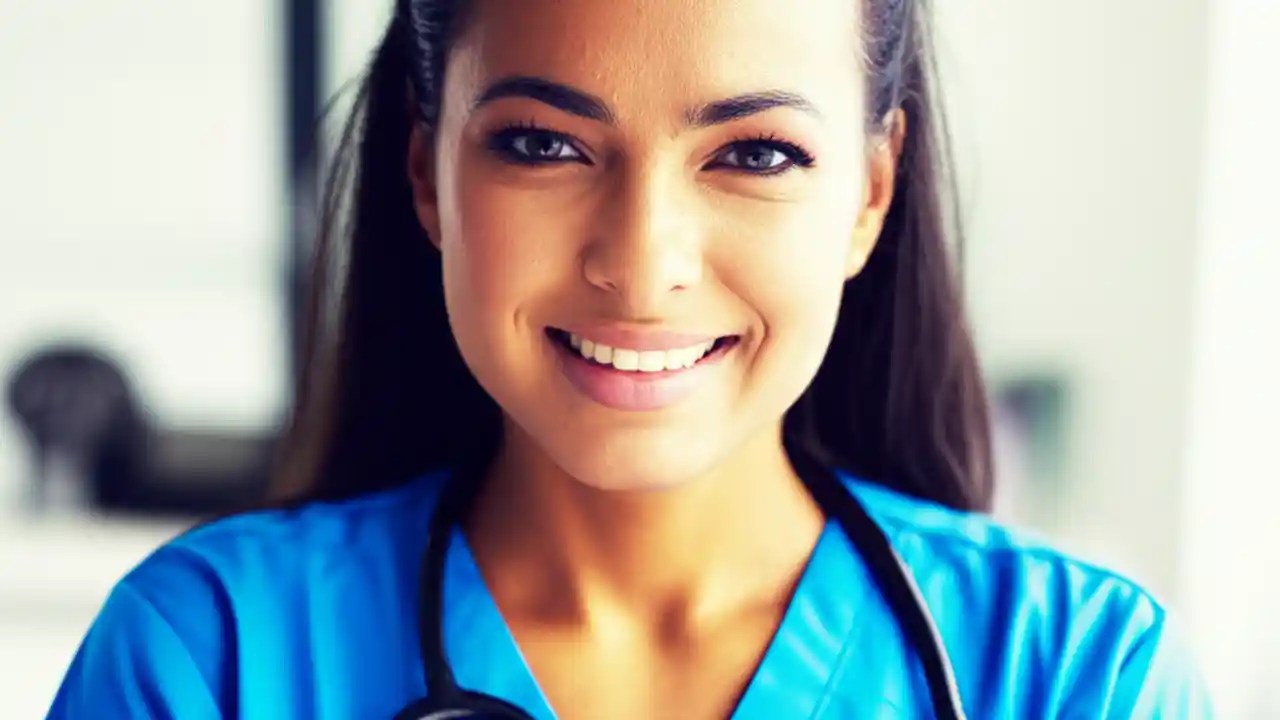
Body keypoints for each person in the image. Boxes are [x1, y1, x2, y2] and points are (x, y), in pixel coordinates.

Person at [48, 0, 1213, 717]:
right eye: (544, 144)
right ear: (426, 176)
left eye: (753, 155)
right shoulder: (209, 661)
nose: (641, 262)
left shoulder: (1083, 679)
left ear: (868, 191)